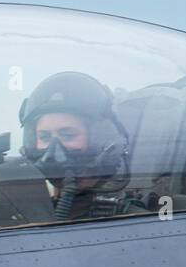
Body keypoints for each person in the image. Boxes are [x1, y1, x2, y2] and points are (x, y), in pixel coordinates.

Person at [17, 71, 143, 221]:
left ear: (100, 139)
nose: (53, 150)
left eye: (68, 135)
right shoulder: (20, 214)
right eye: (44, 137)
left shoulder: (134, 221)